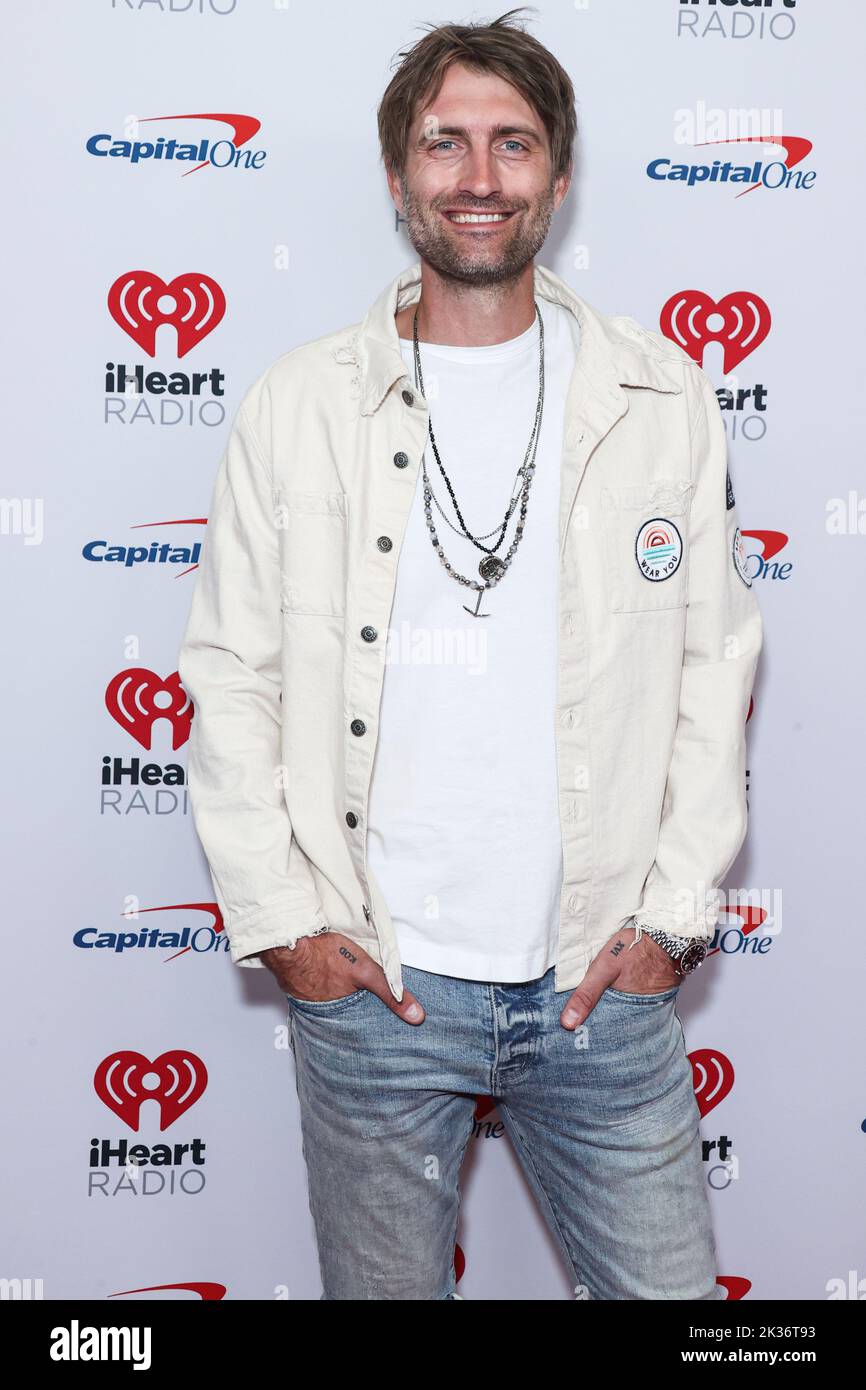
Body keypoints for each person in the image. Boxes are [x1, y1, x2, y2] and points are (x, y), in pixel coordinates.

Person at [177, 9, 763, 1300]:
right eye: (445, 144)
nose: (479, 179)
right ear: (398, 177)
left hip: (598, 984)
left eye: (513, 144)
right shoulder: (298, 403)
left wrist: (670, 915)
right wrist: (289, 928)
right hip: (374, 985)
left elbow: (712, 667)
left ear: (558, 175)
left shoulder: (660, 395)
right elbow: (230, 674)